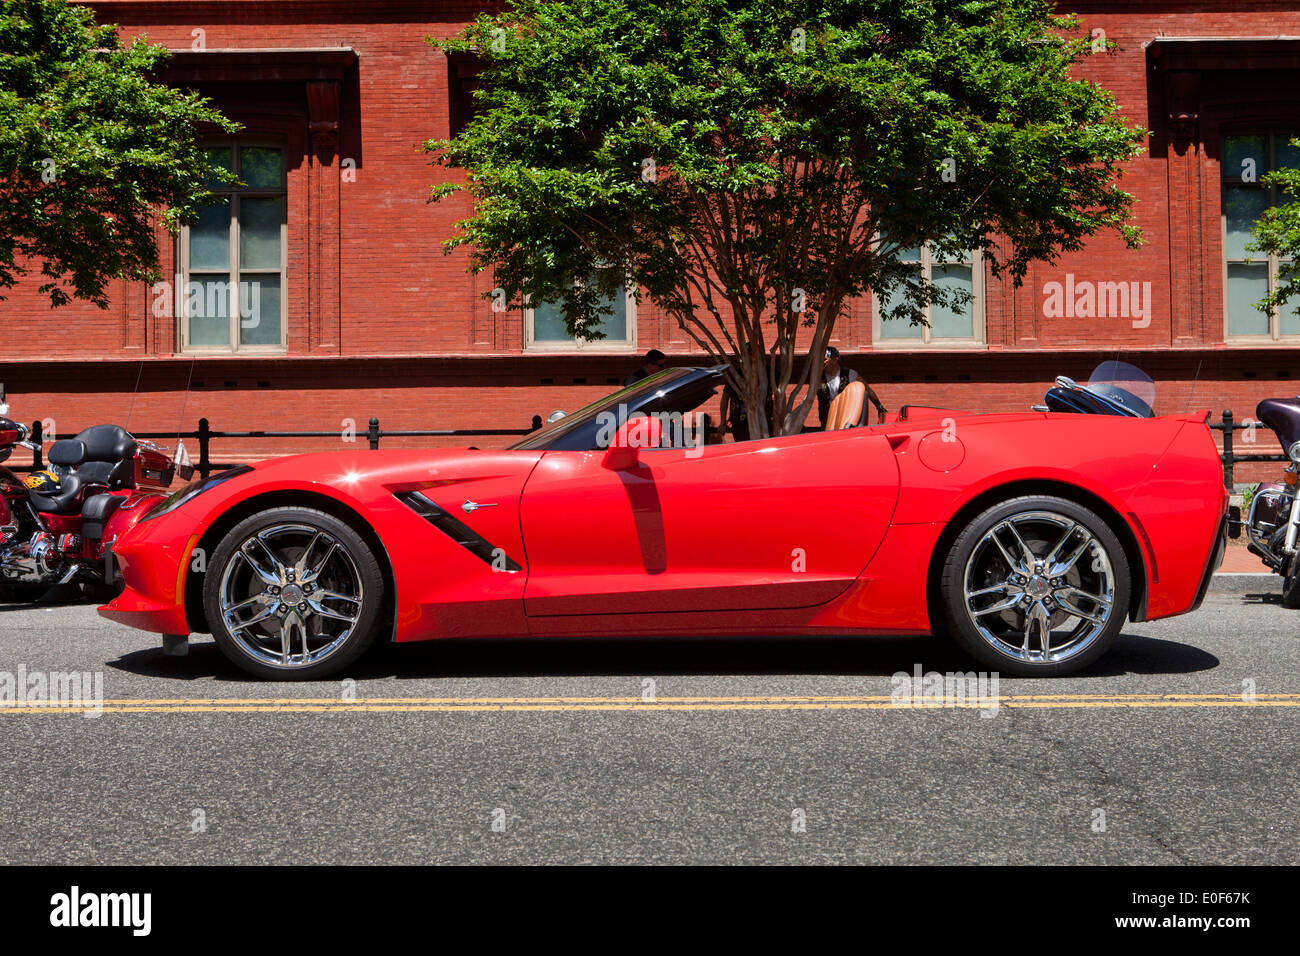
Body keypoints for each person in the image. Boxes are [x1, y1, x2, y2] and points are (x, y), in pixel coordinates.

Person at [817, 347, 885, 429]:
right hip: (827, 420)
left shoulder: (849, 374)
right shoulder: (818, 377)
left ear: (834, 360)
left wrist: (879, 407)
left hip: (845, 418)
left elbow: (867, 389)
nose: (821, 362)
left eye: (824, 359)